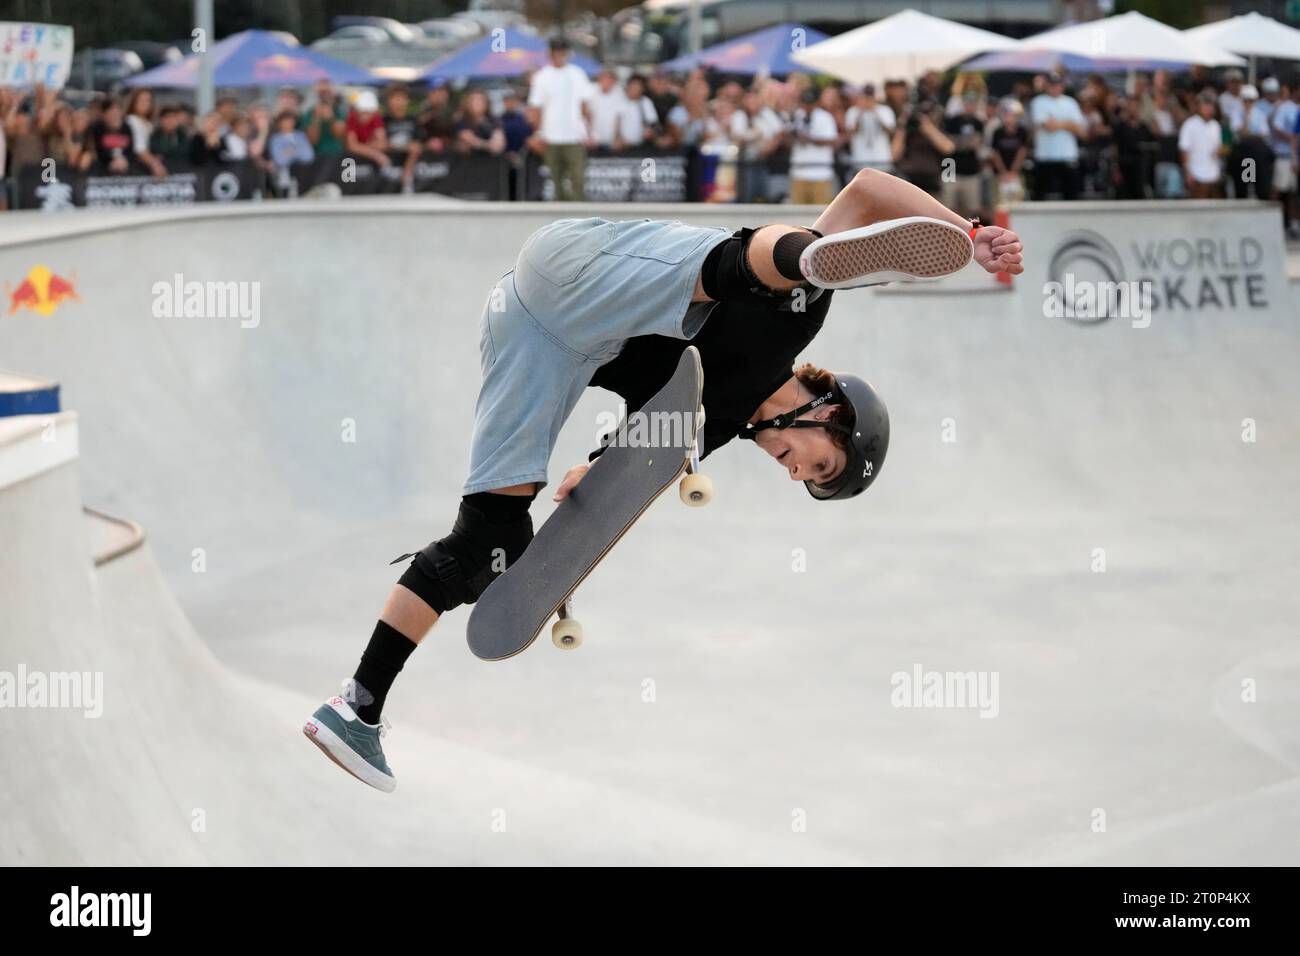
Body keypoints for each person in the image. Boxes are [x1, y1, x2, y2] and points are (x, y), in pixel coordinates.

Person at [302, 169, 1025, 792]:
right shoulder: (797, 330)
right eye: (821, 464)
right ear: (831, 409)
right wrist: (966, 230)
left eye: (810, 483)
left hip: (530, 335)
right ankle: (800, 258)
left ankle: (356, 706)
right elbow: (868, 190)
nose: (798, 473)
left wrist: (570, 533)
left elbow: (606, 477)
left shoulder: (692, 432)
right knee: (768, 283)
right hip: (584, 264)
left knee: (489, 544)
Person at [528, 36, 593, 201]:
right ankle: (563, 217)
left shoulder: (577, 74)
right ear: (550, 54)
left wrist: (589, 131)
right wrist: (537, 133)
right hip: (551, 136)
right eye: (556, 52)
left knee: (578, 178)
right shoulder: (542, 76)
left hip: (574, 135)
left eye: (562, 52)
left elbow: (585, 106)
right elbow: (536, 108)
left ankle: (580, 213)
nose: (559, 55)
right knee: (556, 179)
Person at [1028, 72, 1084, 200]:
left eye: (1057, 85)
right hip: (1045, 156)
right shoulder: (1039, 102)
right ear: (1046, 86)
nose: (1054, 88)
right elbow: (1049, 126)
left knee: (1071, 196)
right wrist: (1068, 123)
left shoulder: (1071, 102)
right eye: (1051, 85)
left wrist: (1057, 122)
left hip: (1068, 156)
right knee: (1040, 196)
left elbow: (1078, 128)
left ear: (1062, 85)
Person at [789, 86, 840, 205]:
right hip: (799, 173)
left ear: (816, 103)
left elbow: (830, 140)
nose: (807, 107)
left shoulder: (825, 117)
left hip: (820, 174)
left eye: (810, 104)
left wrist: (808, 139)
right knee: (797, 216)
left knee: (820, 215)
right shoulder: (796, 116)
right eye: (805, 103)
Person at [1179, 91, 1223, 199]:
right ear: (1199, 106)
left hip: (1213, 175)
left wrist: (1219, 152)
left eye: (1210, 105)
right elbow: (1184, 150)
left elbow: (1219, 147)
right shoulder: (1189, 124)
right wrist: (1188, 173)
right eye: (1205, 104)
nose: (1208, 108)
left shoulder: (1216, 126)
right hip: (1196, 174)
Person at [844, 84, 895, 174]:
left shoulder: (885, 110)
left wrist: (875, 113)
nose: (868, 100)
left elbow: (890, 131)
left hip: (882, 160)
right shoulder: (853, 111)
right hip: (860, 161)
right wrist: (861, 112)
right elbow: (852, 132)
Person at [303, 78, 347, 158]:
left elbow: (341, 135)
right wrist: (316, 119)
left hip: (337, 156)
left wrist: (331, 119)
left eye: (326, 92)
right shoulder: (309, 113)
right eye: (322, 92)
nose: (324, 95)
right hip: (317, 157)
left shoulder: (339, 112)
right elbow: (312, 141)